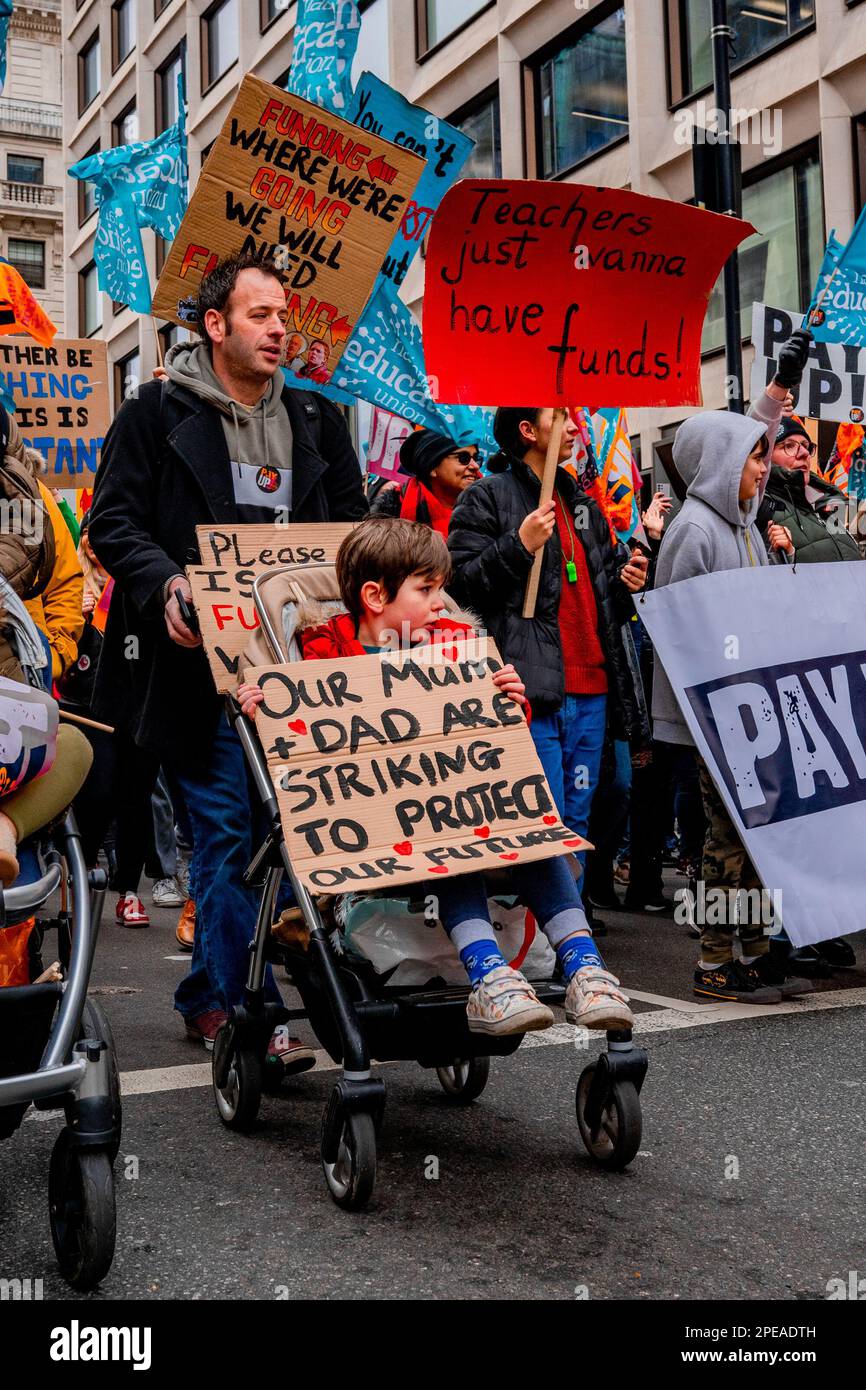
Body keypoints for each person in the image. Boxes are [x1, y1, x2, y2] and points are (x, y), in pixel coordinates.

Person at [89, 250, 368, 1064]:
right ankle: (252, 1013)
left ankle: (206, 986)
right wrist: (170, 587)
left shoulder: (318, 421)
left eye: (285, 315)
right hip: (193, 675)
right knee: (223, 832)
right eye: (260, 315)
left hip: (296, 674)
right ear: (214, 326)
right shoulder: (152, 414)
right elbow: (114, 525)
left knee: (295, 838)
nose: (280, 328)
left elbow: (350, 531)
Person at [238, 518, 633, 1035]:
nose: (438, 603)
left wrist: (508, 701)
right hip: (377, 826)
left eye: (441, 589)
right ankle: (489, 976)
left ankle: (586, 967)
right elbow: (301, 737)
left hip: (452, 809)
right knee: (450, 838)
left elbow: (493, 747)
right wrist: (264, 707)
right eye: (426, 590)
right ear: (376, 596)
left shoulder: (457, 643)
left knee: (528, 835)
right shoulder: (322, 650)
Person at [652, 329, 815, 1002]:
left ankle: (746, 950)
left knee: (750, 842)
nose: (761, 466)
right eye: (751, 458)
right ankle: (714, 960)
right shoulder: (693, 531)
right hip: (719, 714)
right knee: (724, 842)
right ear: (720, 465)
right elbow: (682, 627)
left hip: (751, 706)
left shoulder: (745, 525)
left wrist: (780, 385)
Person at [447, 407, 648, 926]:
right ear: (528, 431)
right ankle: (540, 937)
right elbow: (459, 587)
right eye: (561, 416)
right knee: (545, 817)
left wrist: (627, 585)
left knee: (581, 816)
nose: (577, 425)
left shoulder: (583, 503)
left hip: (594, 685)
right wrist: (519, 546)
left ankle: (568, 934)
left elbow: (603, 603)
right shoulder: (487, 496)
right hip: (531, 687)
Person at [370, 430, 482, 539]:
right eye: (463, 458)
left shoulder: (488, 507)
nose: (475, 466)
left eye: (476, 458)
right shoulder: (388, 522)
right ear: (432, 467)